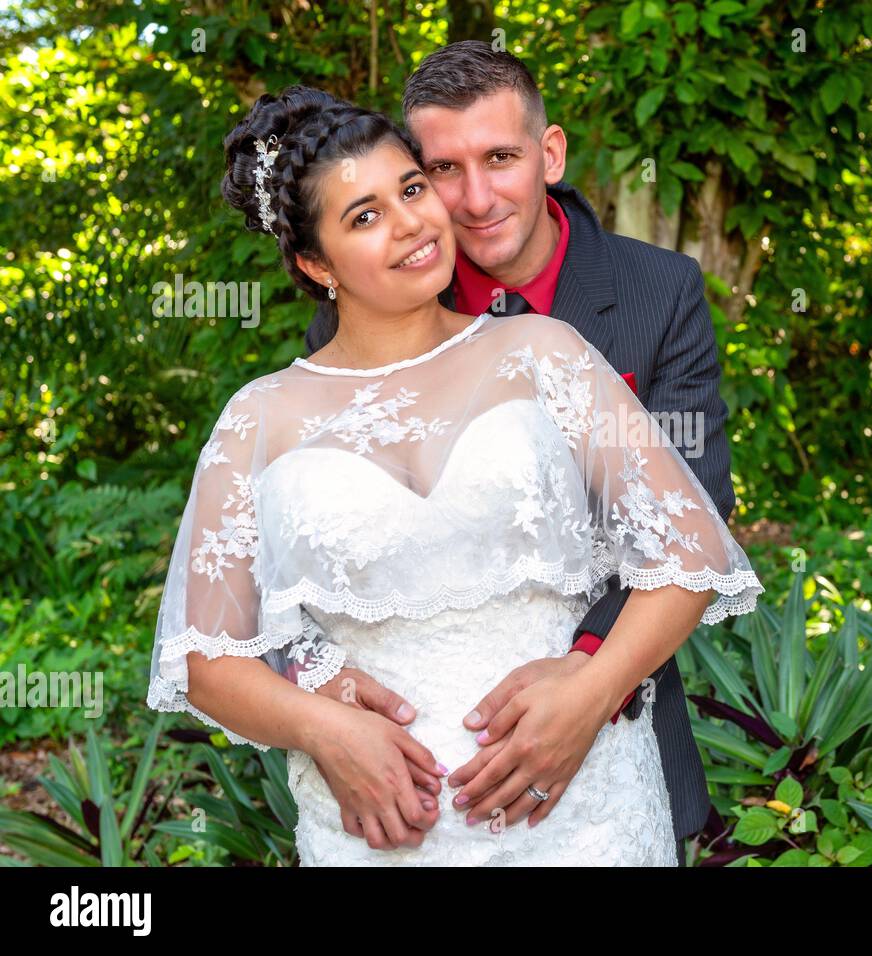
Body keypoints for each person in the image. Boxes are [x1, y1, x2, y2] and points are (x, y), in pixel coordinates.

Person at [145, 84, 763, 865]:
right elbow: (208, 659)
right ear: (313, 263)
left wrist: (591, 689)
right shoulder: (259, 418)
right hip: (375, 829)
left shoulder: (544, 354)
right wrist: (322, 726)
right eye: (363, 216)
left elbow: (690, 551)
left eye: (410, 189)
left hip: (582, 811)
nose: (410, 223)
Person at [300, 42, 738, 866]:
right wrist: (323, 696)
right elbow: (322, 528)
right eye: (442, 171)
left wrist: (587, 681)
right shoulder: (364, 306)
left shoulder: (657, 293)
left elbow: (697, 513)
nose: (475, 199)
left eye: (500, 158)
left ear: (551, 152)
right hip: (411, 777)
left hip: (612, 724)